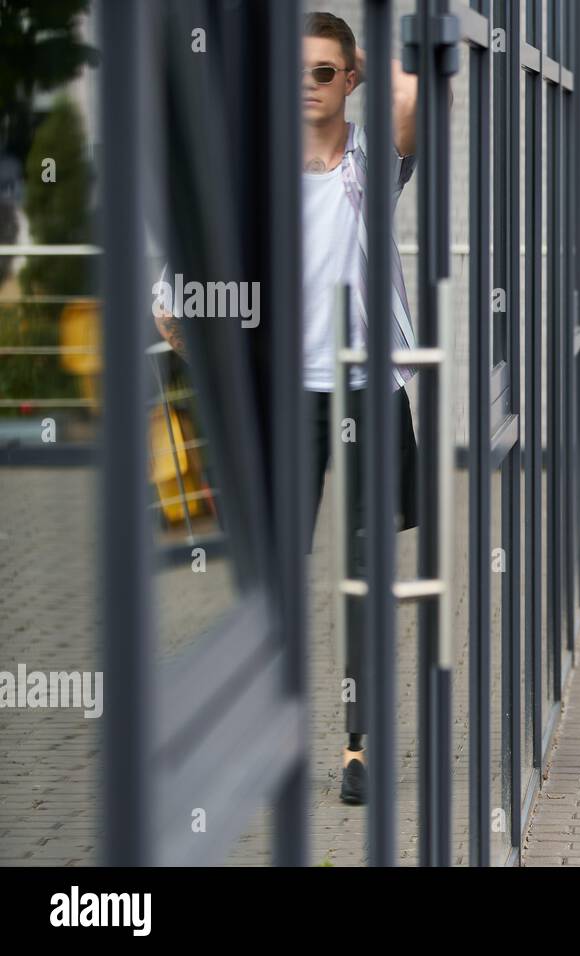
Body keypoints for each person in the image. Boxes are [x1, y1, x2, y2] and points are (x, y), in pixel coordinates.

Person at [153, 11, 422, 805]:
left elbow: (411, 92)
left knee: (369, 573)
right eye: (294, 72)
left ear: (352, 78)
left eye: (326, 72)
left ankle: (358, 745)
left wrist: (365, 62)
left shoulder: (377, 164)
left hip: (369, 386)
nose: (308, 86)